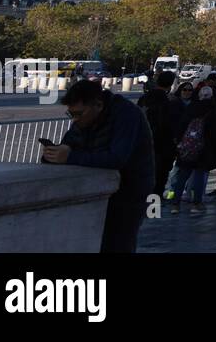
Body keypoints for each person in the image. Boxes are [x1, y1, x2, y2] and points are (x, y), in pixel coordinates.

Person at [43, 79, 155, 252]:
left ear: (98, 105)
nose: (75, 119)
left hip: (130, 190)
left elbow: (117, 158)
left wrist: (70, 157)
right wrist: (54, 154)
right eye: (71, 114)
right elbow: (70, 145)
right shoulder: (83, 121)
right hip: (97, 189)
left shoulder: (127, 114)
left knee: (118, 242)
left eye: (79, 114)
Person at [169, 84, 216, 213]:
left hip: (188, 147)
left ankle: (175, 204)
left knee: (182, 177)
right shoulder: (212, 110)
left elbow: (182, 125)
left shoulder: (192, 107)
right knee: (199, 178)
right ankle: (196, 203)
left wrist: (178, 141)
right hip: (204, 150)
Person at [137, 70, 178, 195]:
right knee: (160, 178)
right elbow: (171, 126)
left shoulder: (145, 98)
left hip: (144, 143)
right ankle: (154, 207)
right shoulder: (170, 102)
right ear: (170, 84)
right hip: (163, 145)